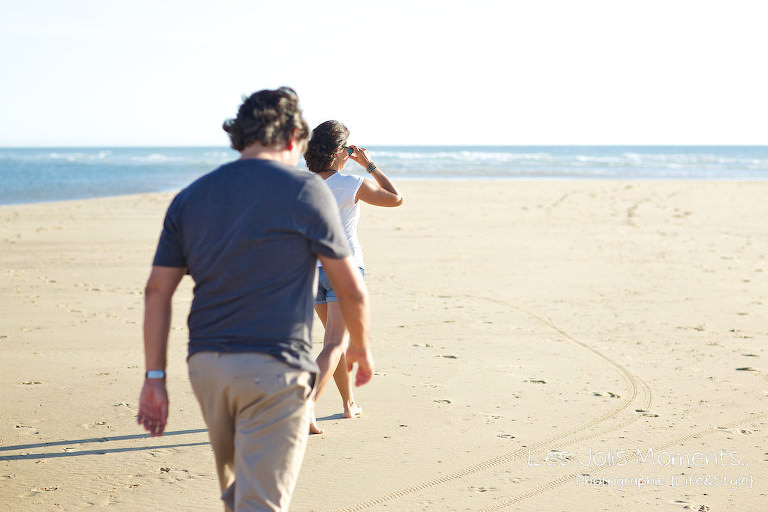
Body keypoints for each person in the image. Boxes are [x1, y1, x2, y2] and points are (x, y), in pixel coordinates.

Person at [137, 88, 374, 512]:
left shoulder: (190, 196)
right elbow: (349, 286)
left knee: (239, 491)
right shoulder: (307, 192)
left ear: (239, 136)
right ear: (293, 139)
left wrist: (154, 377)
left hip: (207, 366)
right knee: (261, 501)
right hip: (273, 364)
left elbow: (157, 291)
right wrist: (359, 345)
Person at [303, 120, 402, 434]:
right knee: (334, 344)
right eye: (345, 149)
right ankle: (306, 407)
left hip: (310, 272)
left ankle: (348, 404)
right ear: (336, 152)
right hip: (343, 270)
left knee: (334, 344)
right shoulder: (349, 183)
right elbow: (395, 197)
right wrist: (368, 164)